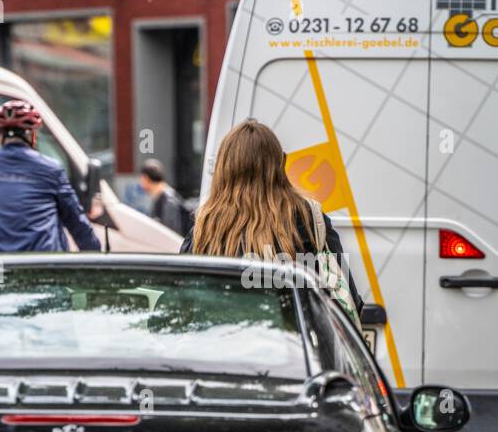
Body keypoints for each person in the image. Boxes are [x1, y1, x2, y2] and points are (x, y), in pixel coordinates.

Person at [181, 118, 364, 318]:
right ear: (282, 163)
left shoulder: (205, 226)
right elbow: (349, 299)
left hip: (221, 344)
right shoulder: (309, 219)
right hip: (292, 345)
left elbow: (182, 301)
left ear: (223, 169)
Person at [0, 99, 102, 254]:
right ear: (33, 135)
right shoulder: (51, 169)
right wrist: (96, 255)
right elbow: (76, 223)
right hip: (36, 268)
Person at [139, 158, 191, 237]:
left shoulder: (168, 199)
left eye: (141, 179)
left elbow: (172, 235)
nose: (140, 183)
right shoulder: (162, 198)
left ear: (146, 178)